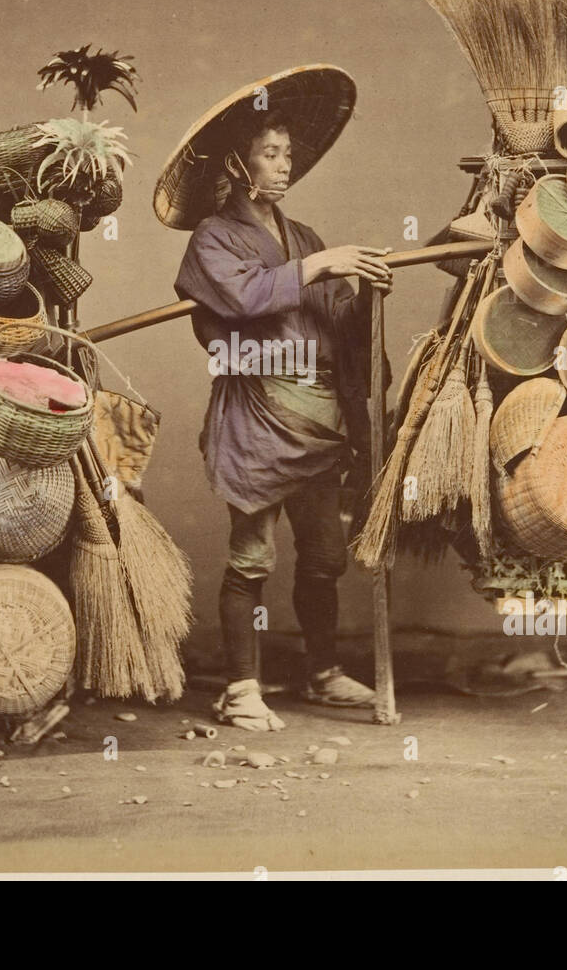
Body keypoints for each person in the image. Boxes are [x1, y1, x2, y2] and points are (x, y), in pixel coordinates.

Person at [169, 94, 393, 732]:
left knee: (326, 556)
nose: (285, 165)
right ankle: (241, 687)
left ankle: (321, 673)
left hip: (319, 420)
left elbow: (341, 323)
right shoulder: (214, 238)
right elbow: (241, 299)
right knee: (252, 557)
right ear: (239, 166)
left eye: (288, 154)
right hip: (258, 419)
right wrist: (320, 264)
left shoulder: (304, 238)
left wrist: (371, 292)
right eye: (271, 154)